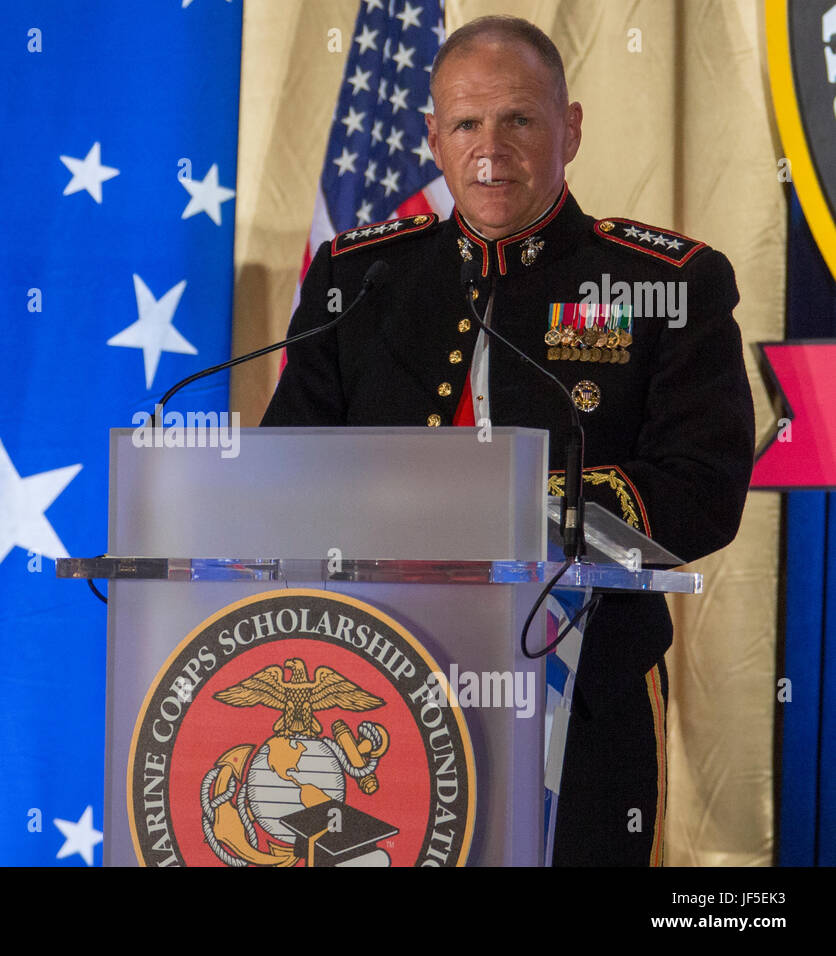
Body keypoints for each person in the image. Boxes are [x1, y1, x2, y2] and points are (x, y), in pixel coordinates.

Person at [261, 15, 755, 865]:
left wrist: (521, 501)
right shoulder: (356, 277)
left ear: (569, 128)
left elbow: (702, 488)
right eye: (466, 124)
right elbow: (282, 477)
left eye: (519, 120)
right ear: (432, 138)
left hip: (585, 691)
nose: (491, 148)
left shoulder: (665, 284)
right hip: (375, 697)